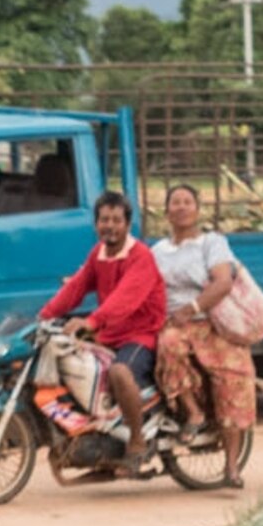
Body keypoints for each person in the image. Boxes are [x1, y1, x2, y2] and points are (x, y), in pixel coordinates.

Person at [38, 190, 165, 463]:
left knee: (119, 372)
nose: (110, 225)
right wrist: (44, 316)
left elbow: (125, 299)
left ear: (127, 224)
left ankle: (137, 440)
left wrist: (91, 321)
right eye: (104, 219)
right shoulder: (98, 254)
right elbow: (75, 287)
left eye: (116, 220)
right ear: (96, 224)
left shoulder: (140, 256)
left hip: (140, 334)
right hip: (109, 334)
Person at [149, 182, 254, 487]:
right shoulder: (158, 251)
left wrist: (192, 306)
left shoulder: (212, 243)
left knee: (233, 381)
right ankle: (193, 413)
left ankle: (232, 467)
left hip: (212, 324)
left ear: (197, 209)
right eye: (175, 202)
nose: (181, 207)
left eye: (187, 201)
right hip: (176, 327)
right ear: (166, 211)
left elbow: (222, 282)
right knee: (167, 347)